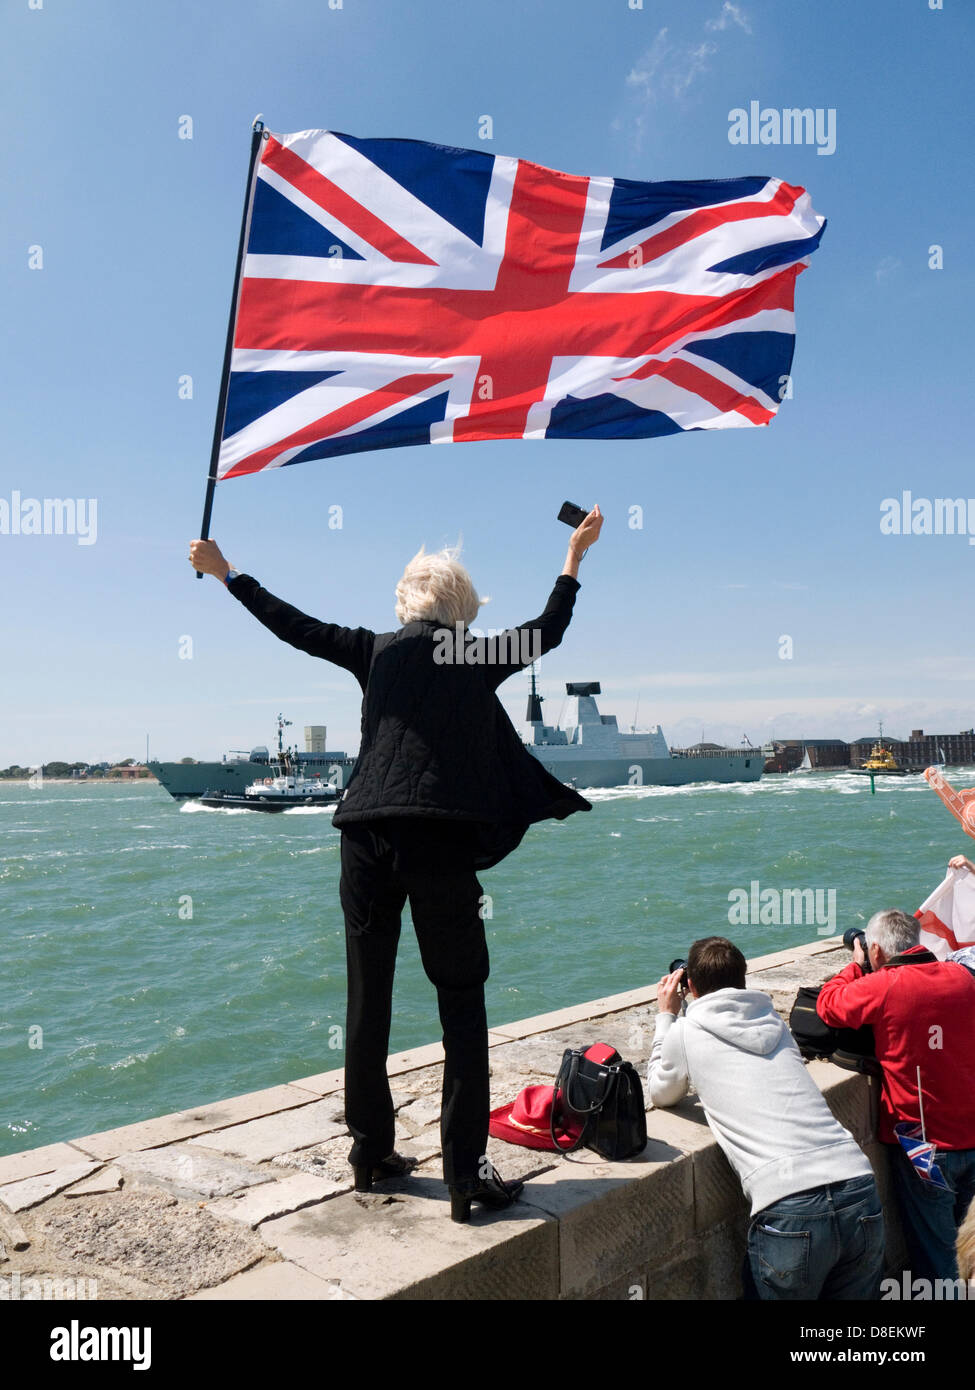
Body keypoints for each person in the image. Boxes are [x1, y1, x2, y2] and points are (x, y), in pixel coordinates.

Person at [189, 506, 602, 1221]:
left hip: (364, 835)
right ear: (462, 609)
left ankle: (371, 1155)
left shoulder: (372, 651)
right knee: (460, 1002)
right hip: (437, 838)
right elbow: (549, 630)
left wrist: (227, 573)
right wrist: (573, 556)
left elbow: (294, 625)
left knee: (366, 998)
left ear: (407, 601)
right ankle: (465, 1176)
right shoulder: (471, 656)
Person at [648, 936, 884, 1300]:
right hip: (858, 1185)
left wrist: (667, 1015)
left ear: (689, 985)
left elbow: (661, 1092)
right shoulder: (772, 1020)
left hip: (790, 1204)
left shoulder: (686, 1031)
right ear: (743, 979)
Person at [817, 907, 975, 1283]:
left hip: (924, 1146)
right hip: (971, 1132)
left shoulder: (884, 984)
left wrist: (855, 965)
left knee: (938, 1257)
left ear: (877, 951)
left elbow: (828, 1005)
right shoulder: (963, 978)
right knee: (969, 1252)